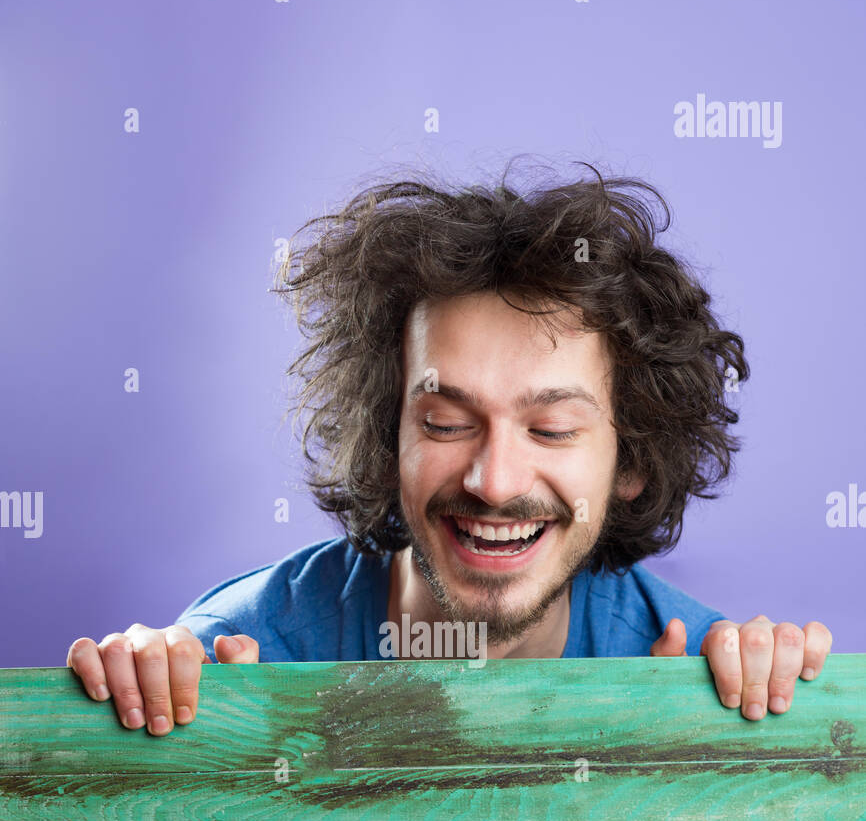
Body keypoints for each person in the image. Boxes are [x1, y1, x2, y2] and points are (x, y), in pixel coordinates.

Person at [66, 162, 831, 734]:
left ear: (630, 459)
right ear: (385, 434)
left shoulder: (697, 671)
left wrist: (711, 769)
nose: (495, 483)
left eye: (552, 429)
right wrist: (142, 693)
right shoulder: (244, 653)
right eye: (445, 422)